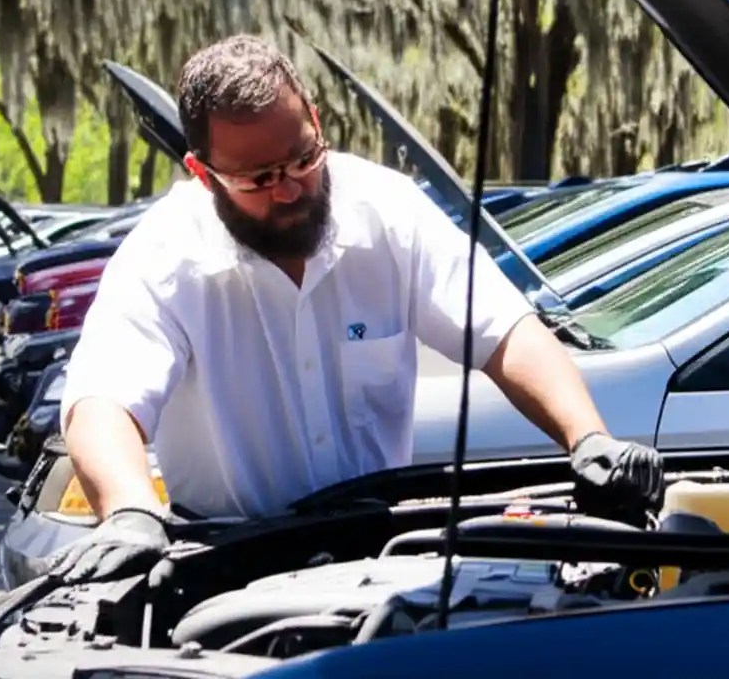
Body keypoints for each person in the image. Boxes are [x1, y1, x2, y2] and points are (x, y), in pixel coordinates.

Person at [47, 34, 663, 585]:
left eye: (303, 158)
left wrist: (587, 438)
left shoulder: (388, 212)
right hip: (227, 561)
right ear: (202, 174)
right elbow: (104, 399)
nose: (290, 190)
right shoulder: (164, 254)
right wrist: (129, 510)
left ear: (315, 120)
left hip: (381, 555)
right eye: (258, 179)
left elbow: (505, 331)